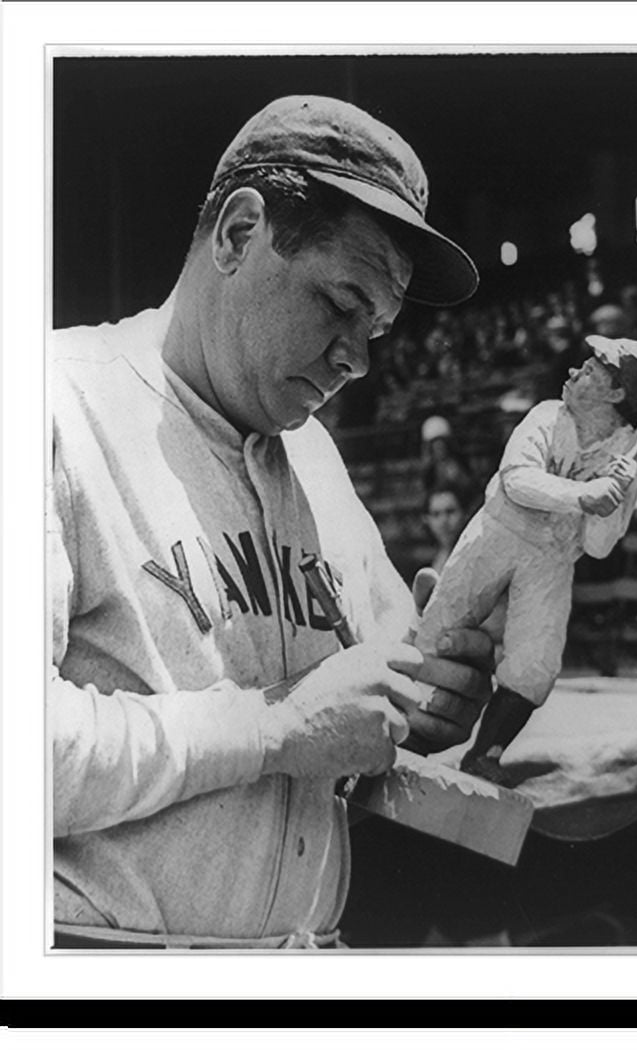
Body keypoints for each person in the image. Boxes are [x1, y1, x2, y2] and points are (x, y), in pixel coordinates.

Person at [49, 94, 494, 949]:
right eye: (340, 302)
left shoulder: (317, 461)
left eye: (380, 328)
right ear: (239, 234)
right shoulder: (57, 401)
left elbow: (356, 734)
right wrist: (273, 727)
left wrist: (431, 700)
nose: (359, 359)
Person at [414, 335, 637, 780]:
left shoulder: (628, 455)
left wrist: (616, 492)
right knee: (441, 623)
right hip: (499, 531)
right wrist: (585, 493)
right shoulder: (547, 415)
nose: (573, 371)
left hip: (553, 557)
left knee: (536, 664)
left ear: (617, 392)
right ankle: (405, 734)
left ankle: (484, 756)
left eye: (589, 370)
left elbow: (601, 545)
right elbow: (518, 482)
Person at [422, 484, 470, 575]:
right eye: (436, 514)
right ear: (426, 520)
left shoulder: (477, 557)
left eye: (450, 511)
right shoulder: (426, 565)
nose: (444, 521)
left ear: (464, 514)